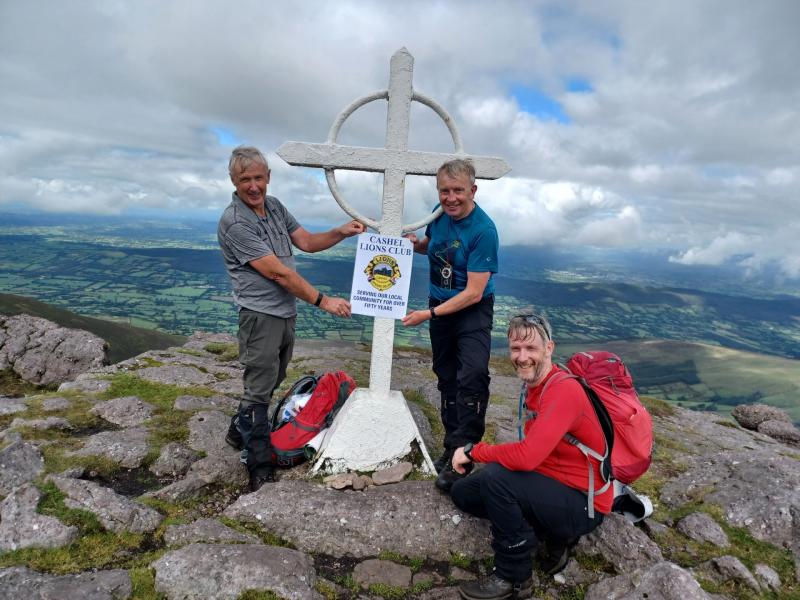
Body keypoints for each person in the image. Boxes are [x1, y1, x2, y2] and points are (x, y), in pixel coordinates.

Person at [218, 145, 365, 492]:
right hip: (260, 315)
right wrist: (323, 300)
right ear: (233, 181)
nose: (253, 186)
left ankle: (238, 431)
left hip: (284, 312)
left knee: (274, 376)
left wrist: (340, 233)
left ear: (268, 177)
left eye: (258, 178)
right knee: (259, 387)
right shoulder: (235, 222)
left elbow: (308, 242)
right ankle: (259, 465)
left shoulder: (275, 207)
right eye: (245, 180)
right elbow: (278, 274)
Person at [446, 314, 610, 600]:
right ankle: (548, 536)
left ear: (549, 349)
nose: (522, 357)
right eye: (515, 349)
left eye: (531, 348)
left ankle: (514, 577)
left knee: (497, 480)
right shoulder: (537, 385)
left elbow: (526, 458)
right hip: (552, 483)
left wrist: (474, 450)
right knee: (463, 492)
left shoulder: (563, 390)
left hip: (584, 502)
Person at [401, 159, 499, 491]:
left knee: (471, 375)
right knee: (446, 376)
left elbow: (473, 293)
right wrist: (417, 246)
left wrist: (428, 315)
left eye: (458, 190)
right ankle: (449, 446)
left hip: (471, 310)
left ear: (473, 190)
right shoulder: (439, 214)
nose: (451, 197)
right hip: (439, 304)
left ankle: (464, 453)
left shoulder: (484, 230)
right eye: (445, 190)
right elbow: (434, 246)